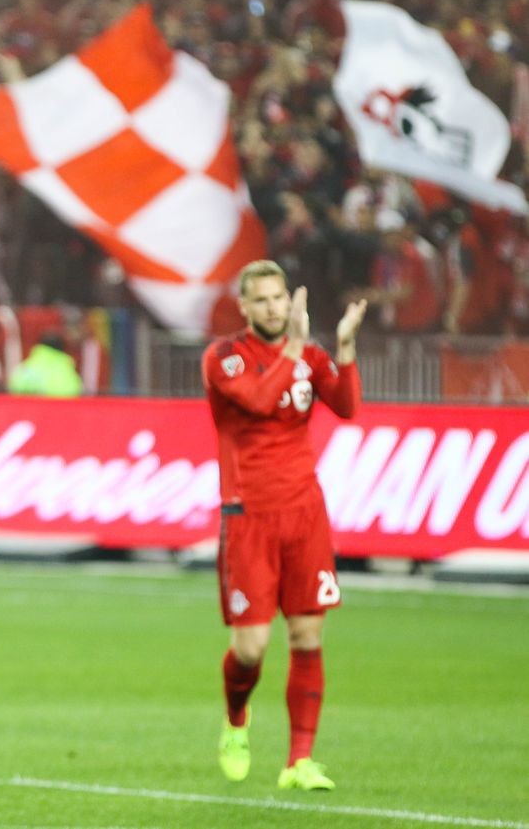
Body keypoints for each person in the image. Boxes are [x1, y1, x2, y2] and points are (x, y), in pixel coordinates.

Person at [201, 259, 367, 792]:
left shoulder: (310, 356)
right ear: (245, 307)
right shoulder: (225, 358)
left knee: (307, 635)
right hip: (248, 515)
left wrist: (343, 347)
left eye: (280, 298)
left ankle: (299, 761)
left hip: (305, 513)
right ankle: (235, 721)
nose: (275, 308)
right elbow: (256, 398)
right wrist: (294, 349)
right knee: (250, 649)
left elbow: (346, 407)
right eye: (264, 300)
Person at [6, 331, 82, 397]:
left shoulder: (27, 367)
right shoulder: (65, 370)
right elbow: (74, 392)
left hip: (28, 412)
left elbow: (14, 387)